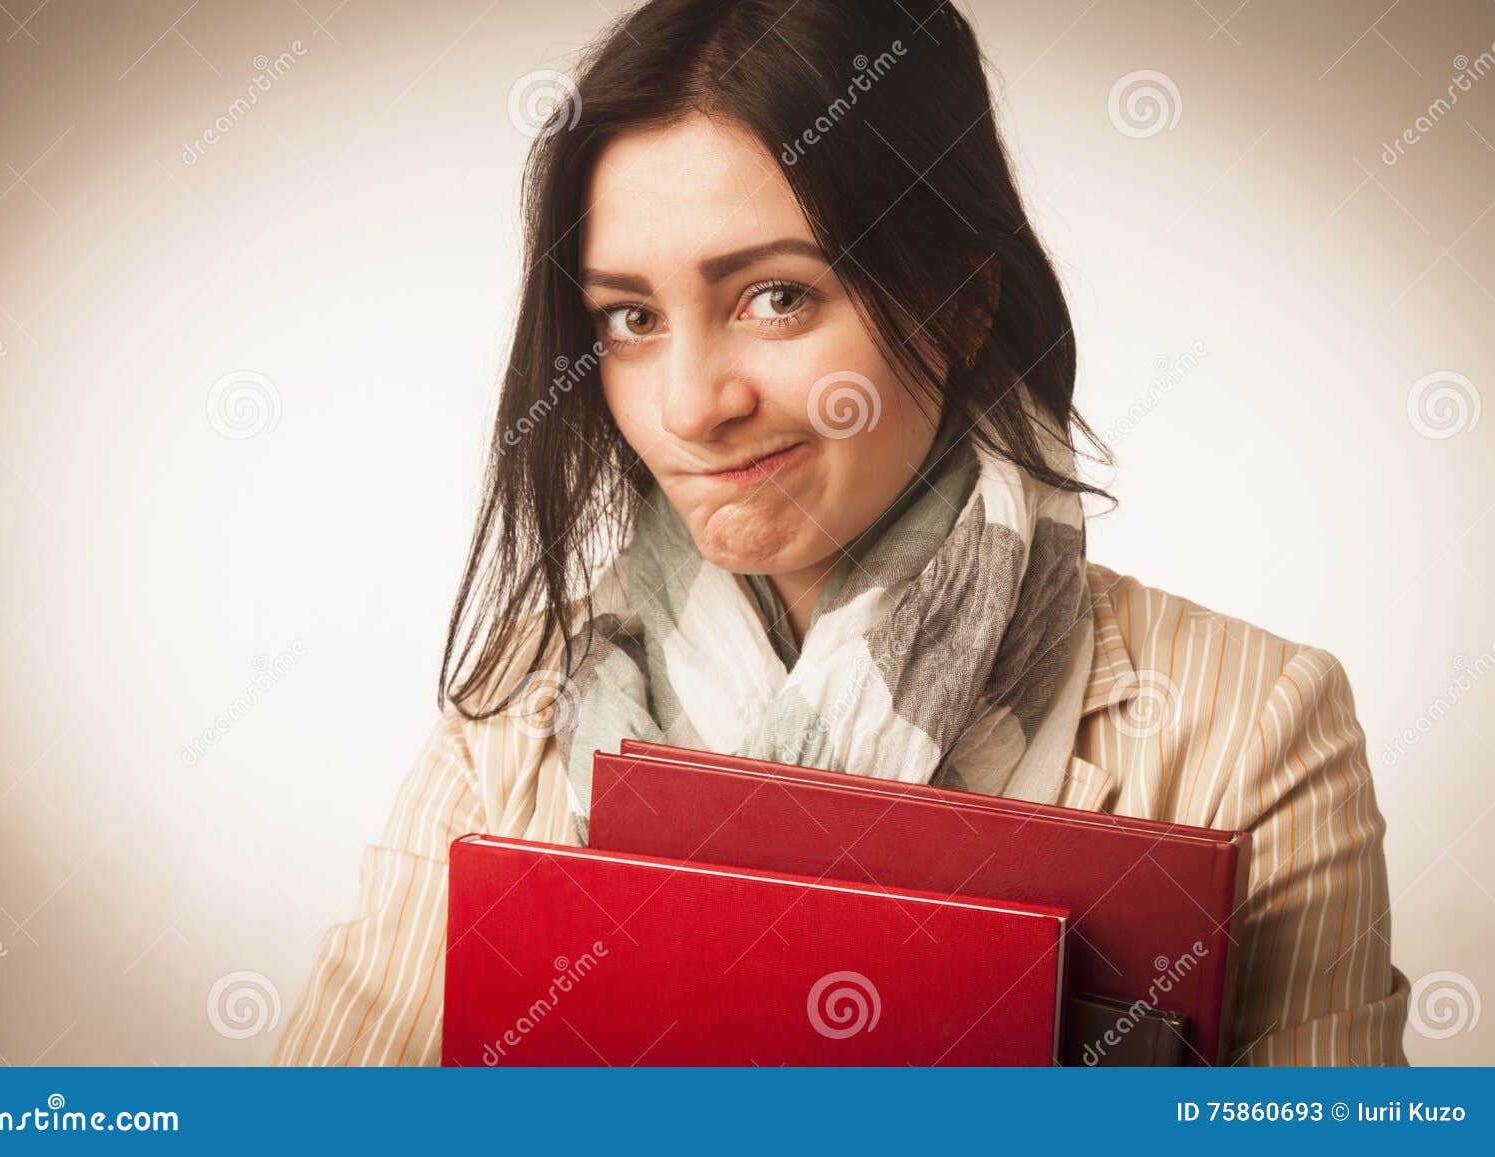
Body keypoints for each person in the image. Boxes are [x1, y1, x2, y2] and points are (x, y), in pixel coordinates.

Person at [274, 0, 1409, 1067]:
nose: (690, 406)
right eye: (630, 317)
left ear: (963, 303)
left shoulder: (1247, 724)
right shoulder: (510, 714)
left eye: (777, 297)